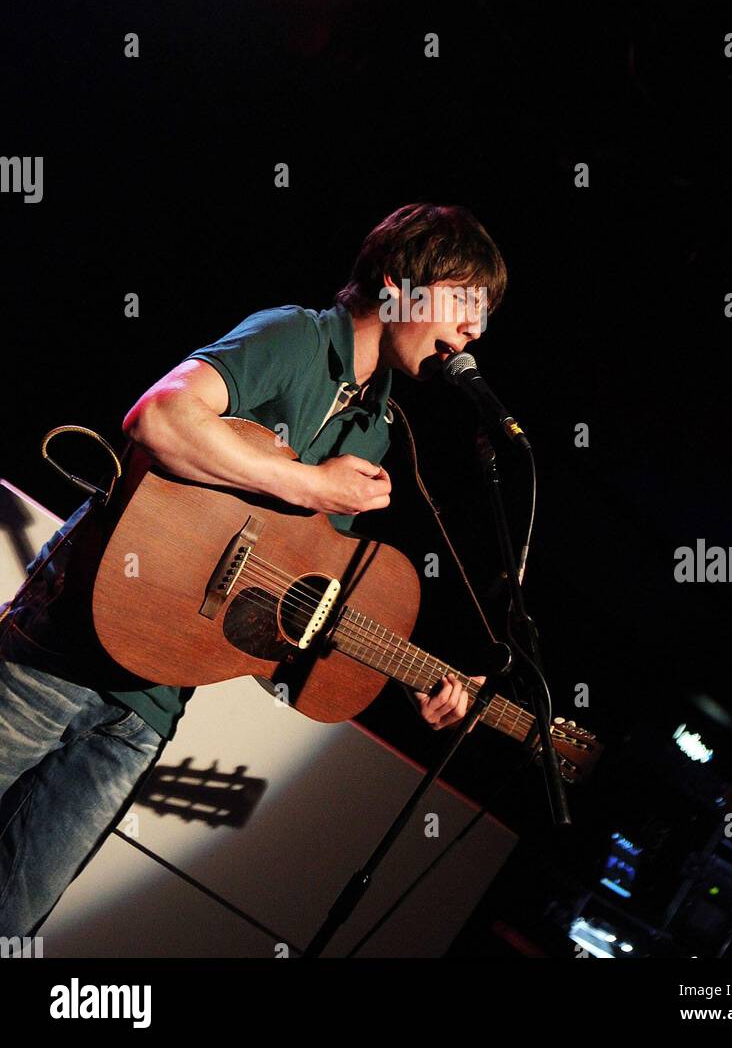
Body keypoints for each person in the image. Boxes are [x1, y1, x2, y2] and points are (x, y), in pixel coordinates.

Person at [0, 201, 508, 937]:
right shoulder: (296, 337)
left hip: (150, 701)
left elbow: (282, 589)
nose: (474, 331)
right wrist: (312, 485)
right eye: (466, 304)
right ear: (400, 286)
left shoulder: (376, 428)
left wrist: (413, 679)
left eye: (485, 317)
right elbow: (161, 417)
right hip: (66, 645)